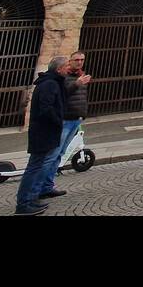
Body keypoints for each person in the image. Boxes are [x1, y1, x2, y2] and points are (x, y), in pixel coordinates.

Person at [14, 55, 68, 215]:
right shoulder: (49, 84)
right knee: (34, 168)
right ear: (58, 69)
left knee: (37, 166)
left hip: (44, 131)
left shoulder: (51, 82)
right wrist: (58, 121)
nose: (68, 69)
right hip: (44, 132)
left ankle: (31, 199)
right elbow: (47, 108)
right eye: (66, 66)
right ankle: (24, 204)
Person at [36, 50, 90, 200]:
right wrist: (77, 84)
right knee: (52, 154)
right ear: (69, 62)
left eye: (82, 59)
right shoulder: (63, 78)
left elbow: (81, 97)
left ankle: (47, 186)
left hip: (76, 119)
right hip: (64, 120)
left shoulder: (81, 76)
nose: (79, 62)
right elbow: (61, 94)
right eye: (76, 60)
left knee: (59, 154)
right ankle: (39, 187)